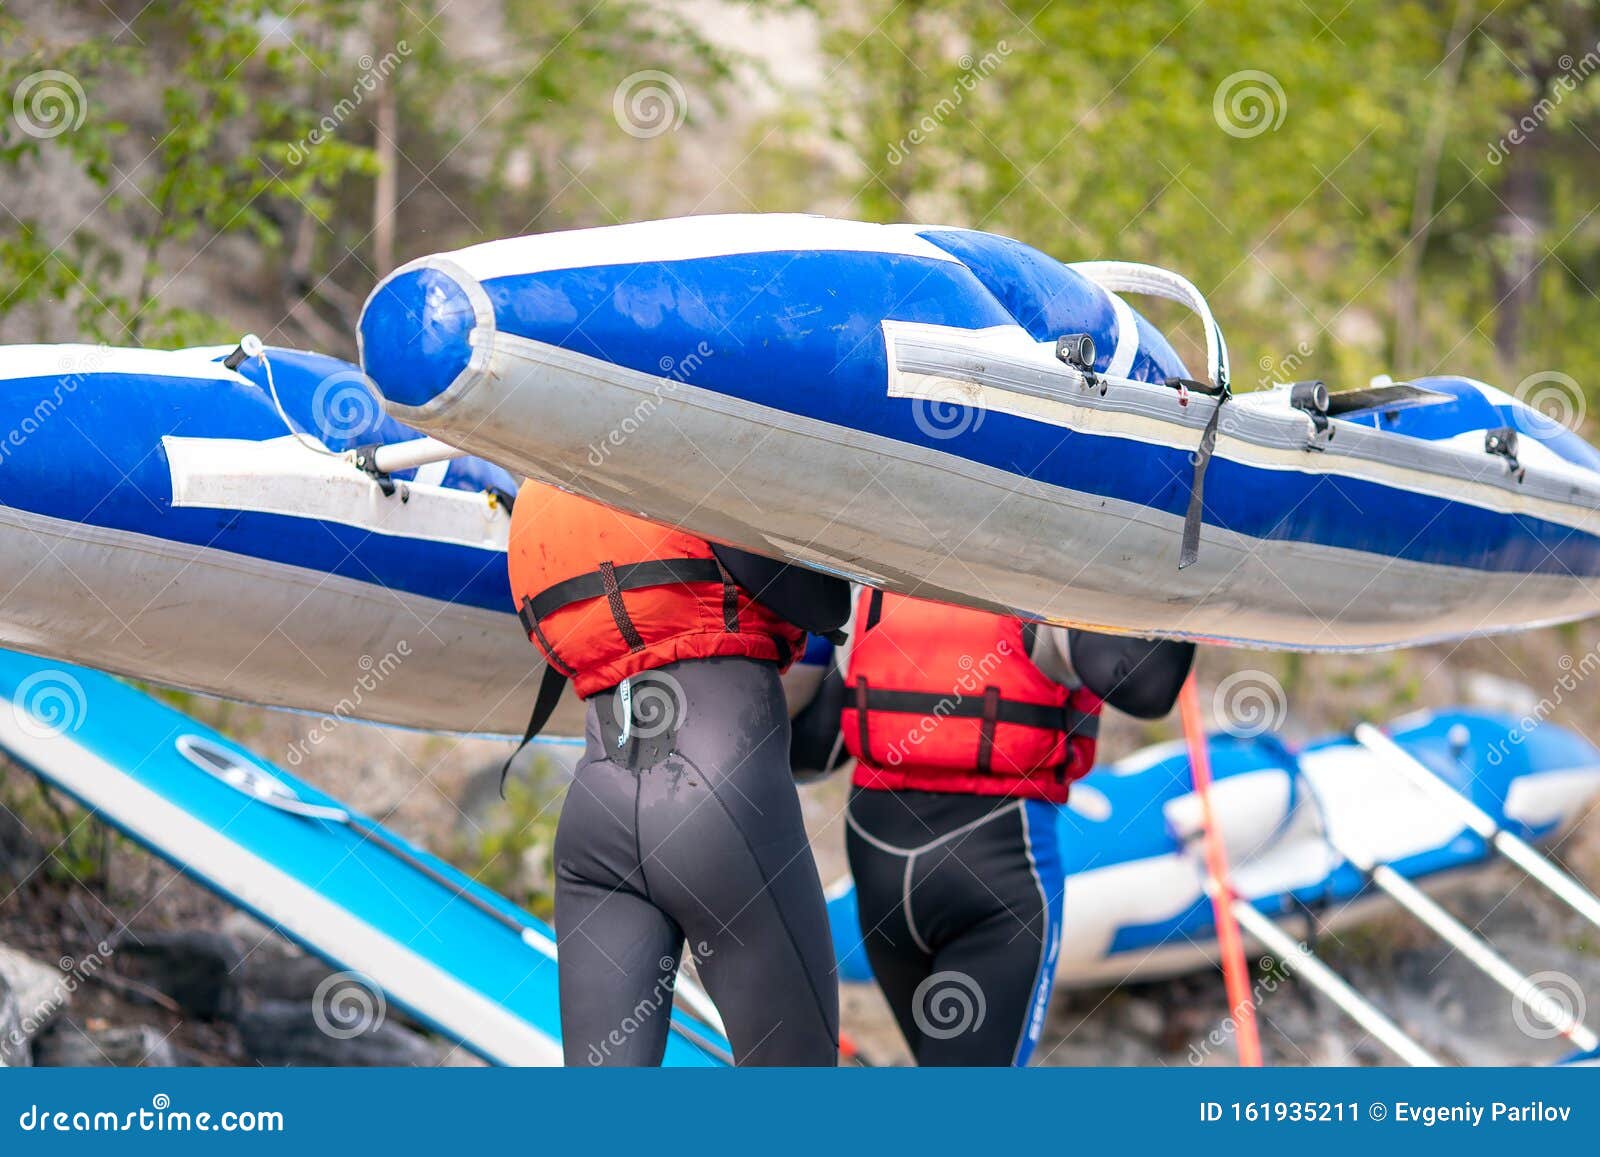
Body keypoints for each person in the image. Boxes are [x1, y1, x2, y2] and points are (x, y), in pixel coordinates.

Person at [505, 481, 847, 1066]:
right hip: (719, 800)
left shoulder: (542, 472)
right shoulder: (686, 447)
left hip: (596, 815)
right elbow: (823, 602)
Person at [839, 589, 1193, 1066]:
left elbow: (814, 745)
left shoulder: (868, 560)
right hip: (995, 868)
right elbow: (1147, 687)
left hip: (875, 861)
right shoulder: (1050, 567)